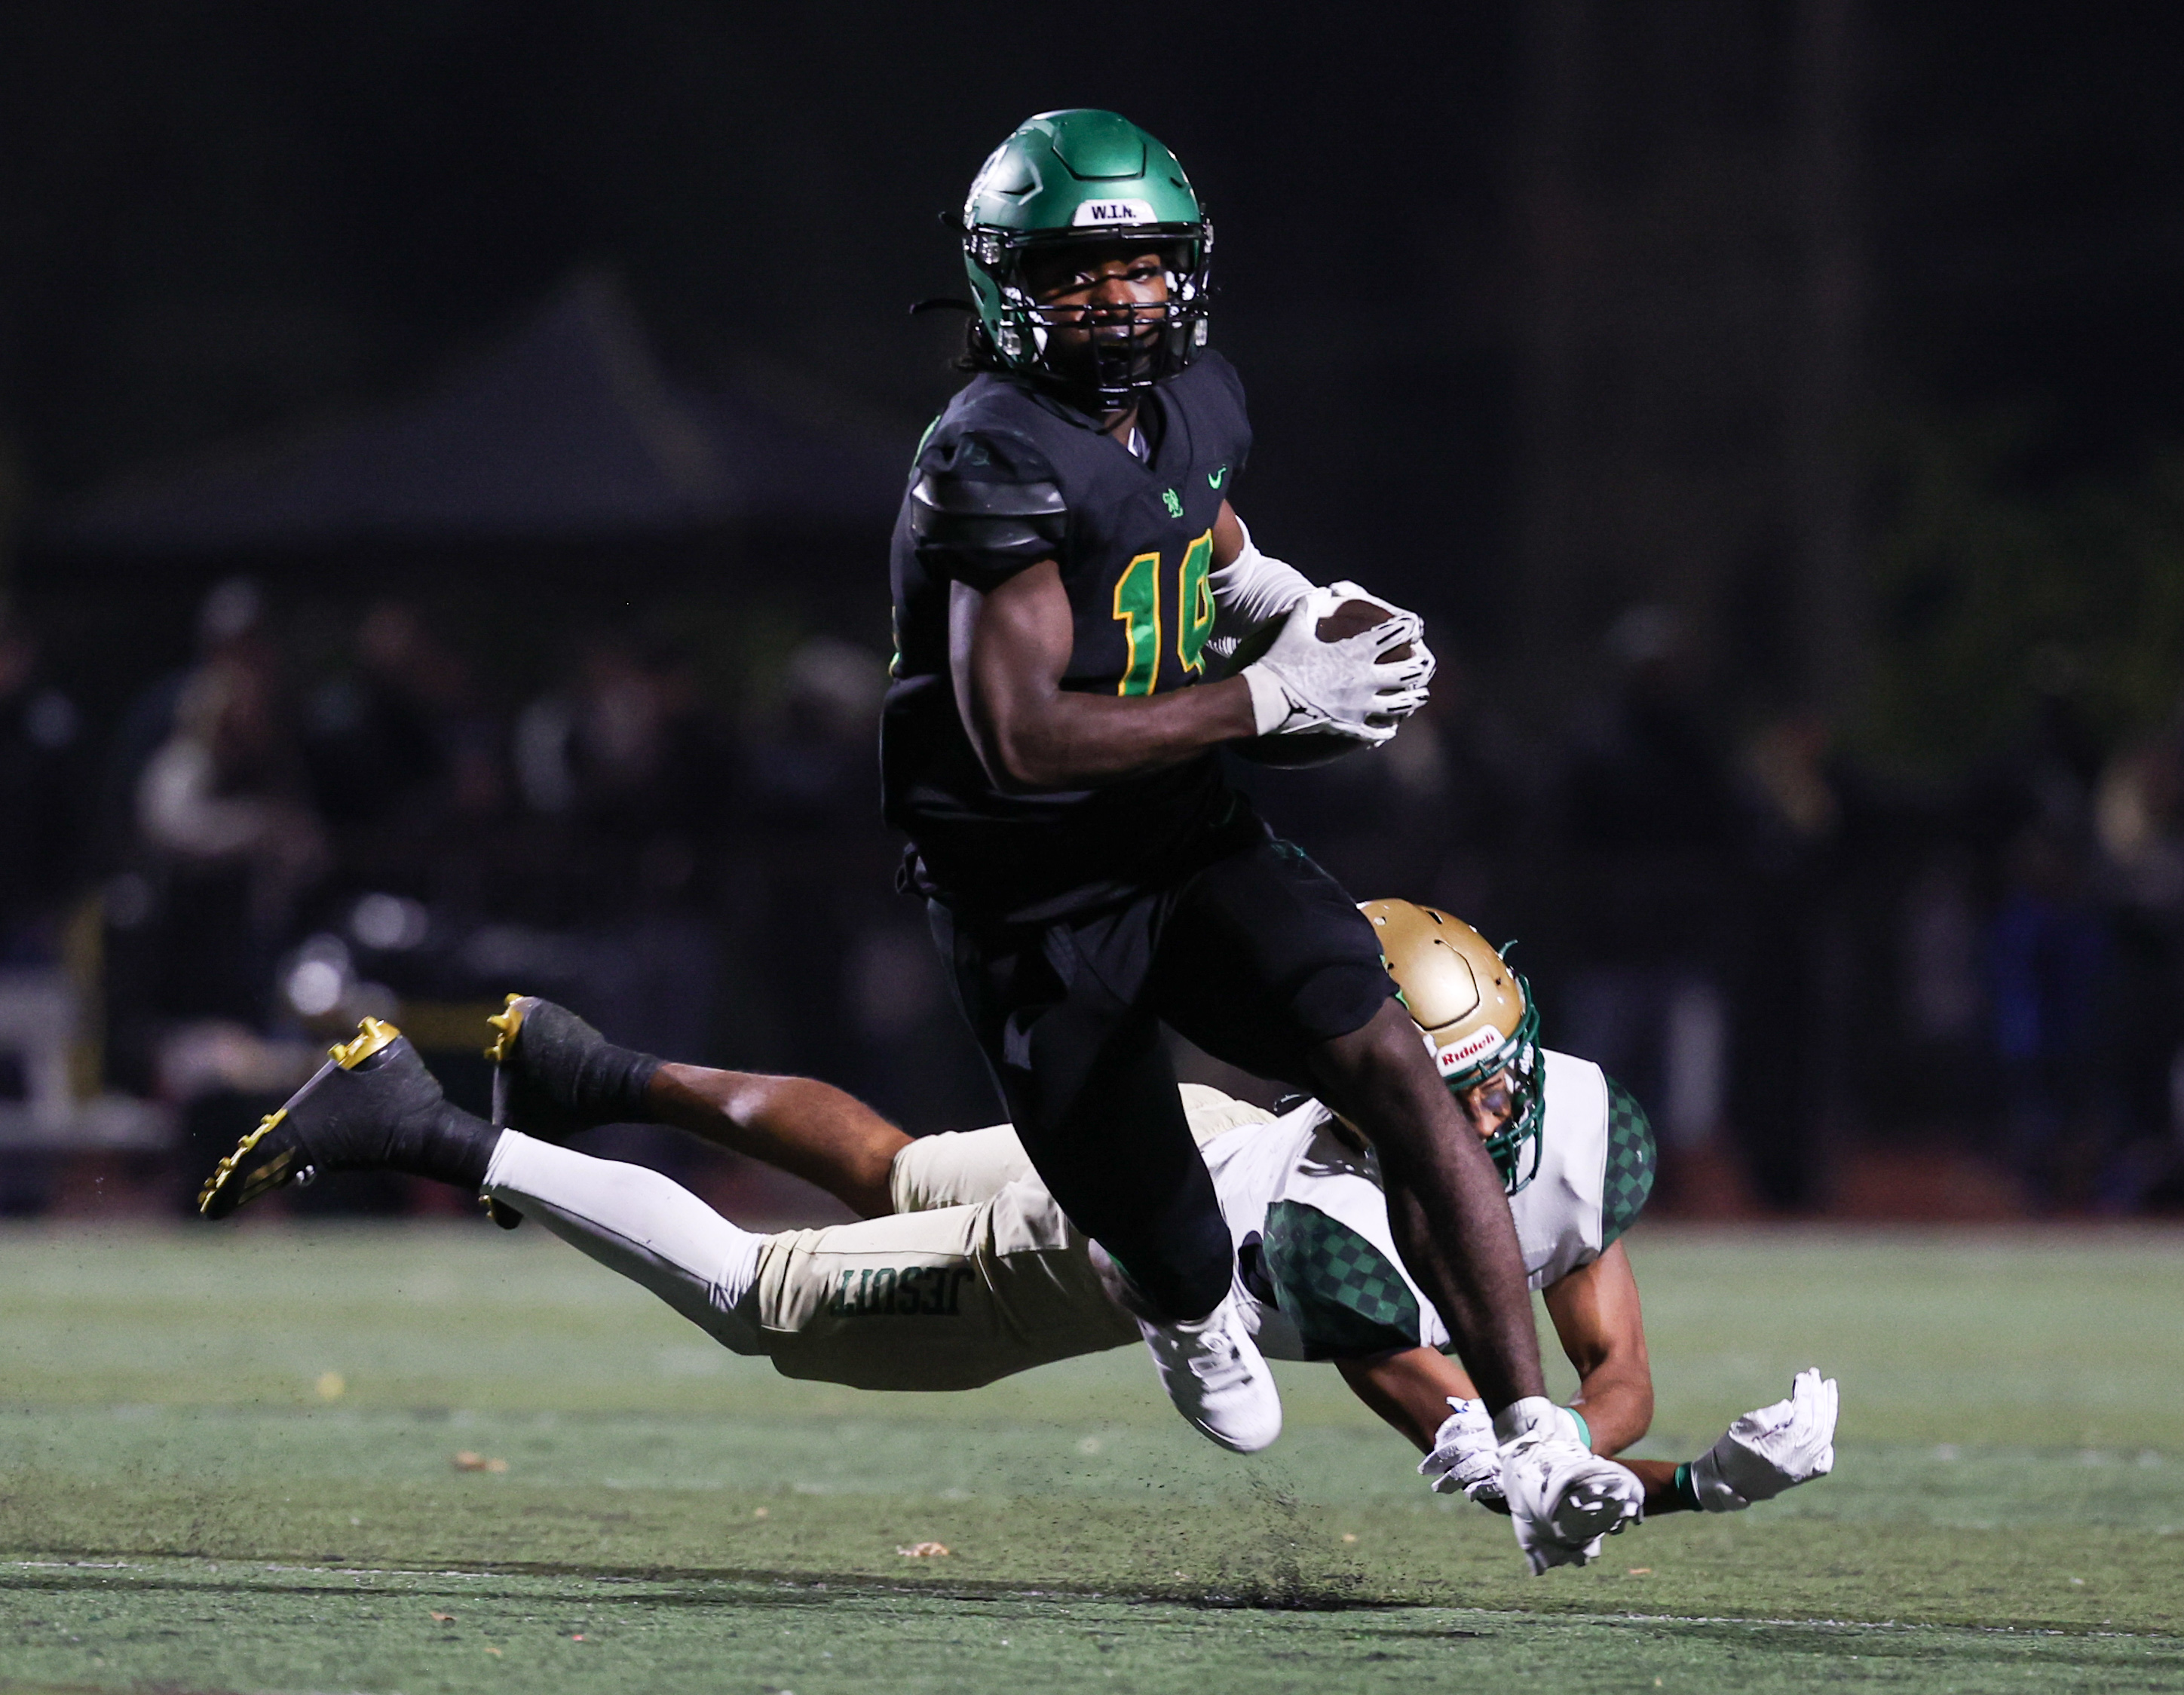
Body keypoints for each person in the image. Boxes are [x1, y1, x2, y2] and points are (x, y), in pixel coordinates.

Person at [193, 903, 1834, 1572]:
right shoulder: (1340, 1219)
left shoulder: (1584, 1118)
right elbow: (1497, 1430)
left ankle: (582, 1059)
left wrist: (1628, 1457)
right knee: (755, 1296)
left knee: (901, 1164)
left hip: (1190, 1136)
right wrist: (1677, 1488)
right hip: (1151, 1225)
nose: (1470, 1122)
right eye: (1432, 1089)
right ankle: (424, 1119)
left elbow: (1599, 1372)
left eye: (1478, 1087)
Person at [883, 106, 1549, 1467]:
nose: (1119, 299)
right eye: (1076, 271)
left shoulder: (1199, 396)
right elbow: (1019, 739)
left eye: (1141, 267)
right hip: (1032, 894)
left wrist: (1299, 609)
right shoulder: (990, 450)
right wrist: (1270, 695)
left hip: (1180, 837)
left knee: (1392, 1068)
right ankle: (1184, 1308)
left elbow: (1209, 542)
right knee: (1170, 1239)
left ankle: (1535, 1431)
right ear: (1006, 285)